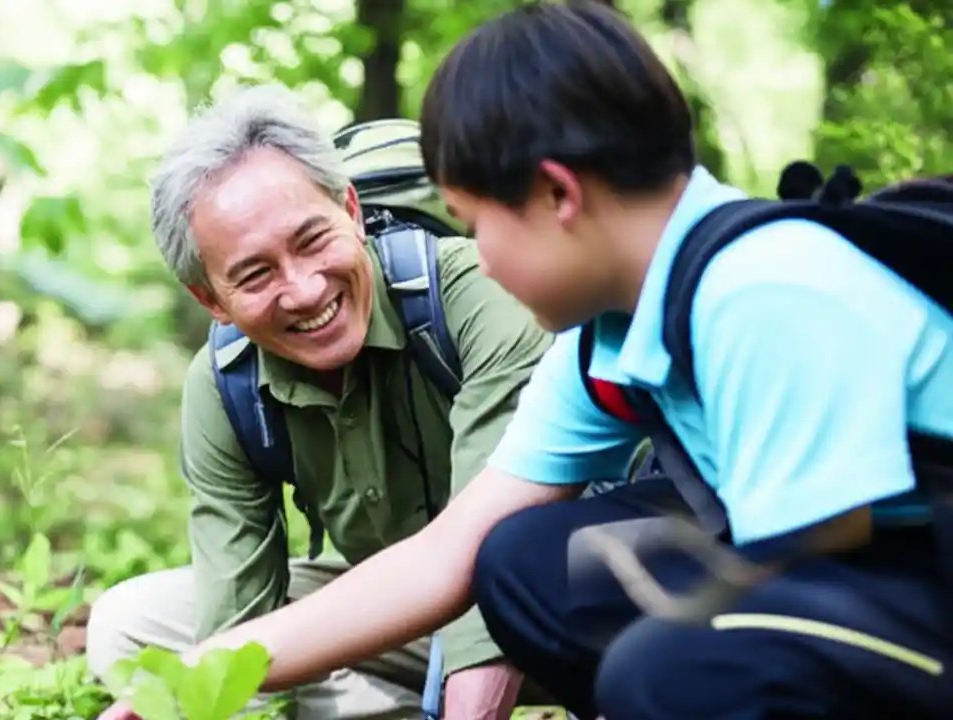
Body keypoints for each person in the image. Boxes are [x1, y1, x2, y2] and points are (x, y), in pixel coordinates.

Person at [99, 2, 953, 719]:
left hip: (894, 572)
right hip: (855, 578)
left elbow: (820, 573)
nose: (481, 261)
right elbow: (448, 556)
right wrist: (193, 670)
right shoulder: (606, 338)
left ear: (557, 195)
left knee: (668, 667)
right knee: (525, 566)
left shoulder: (765, 294)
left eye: (476, 224)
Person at [86, 84, 557, 718]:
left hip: (560, 609)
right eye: (255, 275)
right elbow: (236, 625)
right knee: (130, 624)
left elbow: (497, 543)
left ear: (352, 210)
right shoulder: (225, 386)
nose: (305, 290)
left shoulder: (478, 295)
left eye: (313, 240)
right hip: (399, 613)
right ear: (211, 300)